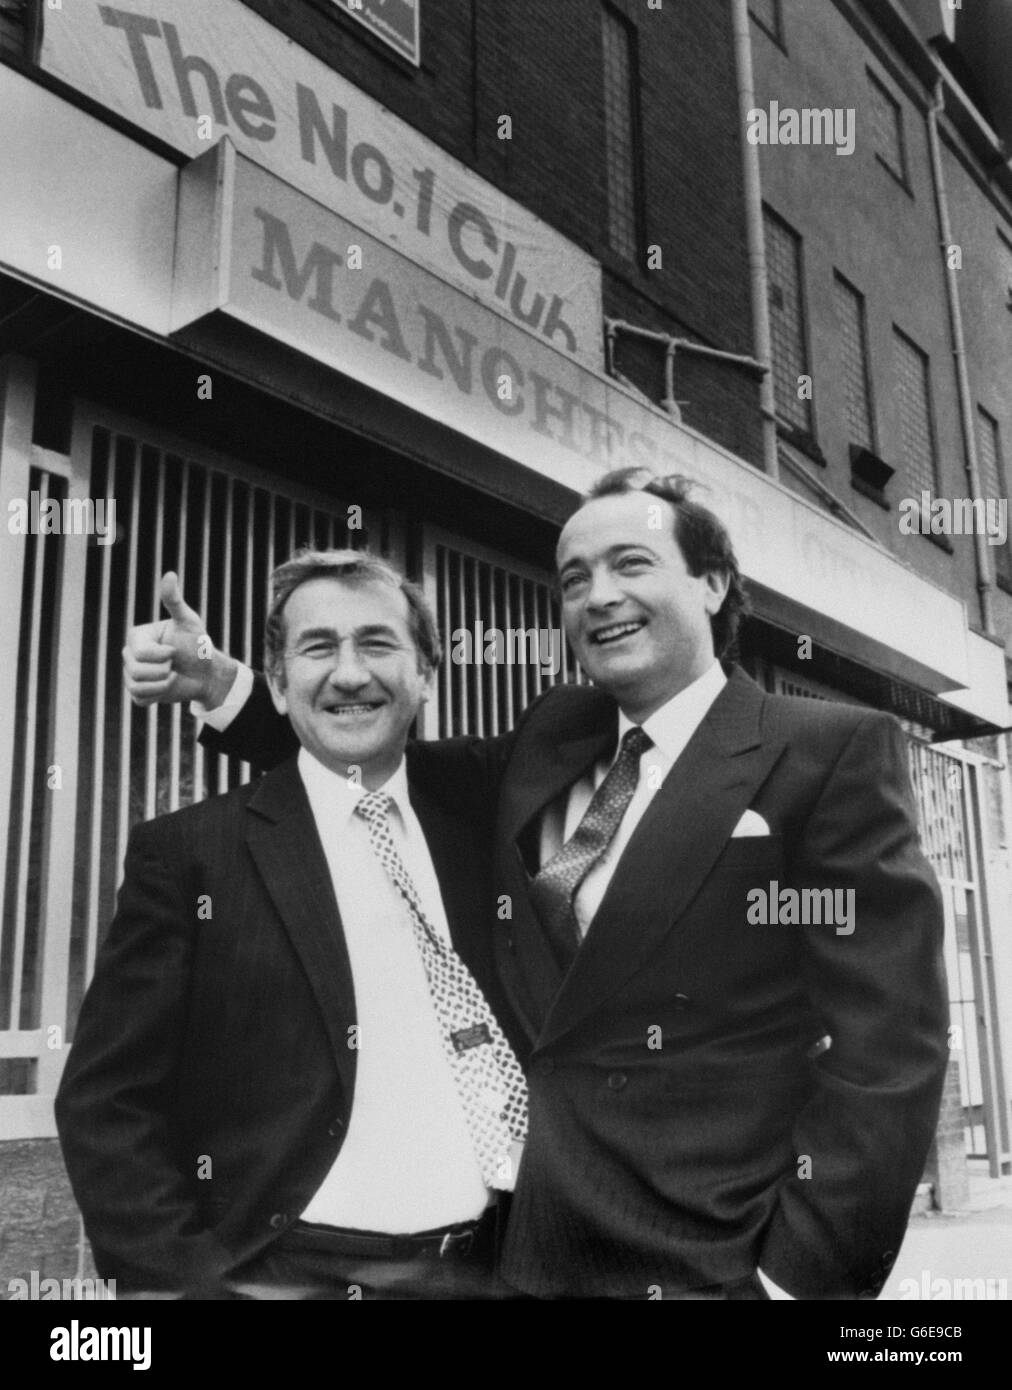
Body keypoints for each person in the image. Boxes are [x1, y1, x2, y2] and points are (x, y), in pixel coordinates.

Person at [123, 468, 949, 1300]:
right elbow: (365, 759)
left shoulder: (827, 752)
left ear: (712, 583)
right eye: (575, 578)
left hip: (717, 1258)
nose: (599, 596)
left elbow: (889, 1050)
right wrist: (225, 684)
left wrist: (798, 1279)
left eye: (631, 564)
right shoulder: (554, 738)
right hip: (529, 1253)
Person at [57, 551, 529, 1299]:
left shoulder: (482, 815)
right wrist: (186, 1285)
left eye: (378, 644)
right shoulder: (188, 857)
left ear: (427, 675)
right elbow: (106, 1103)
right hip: (282, 1273)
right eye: (317, 649)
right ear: (277, 682)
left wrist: (218, 681)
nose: (349, 673)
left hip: (484, 1268)